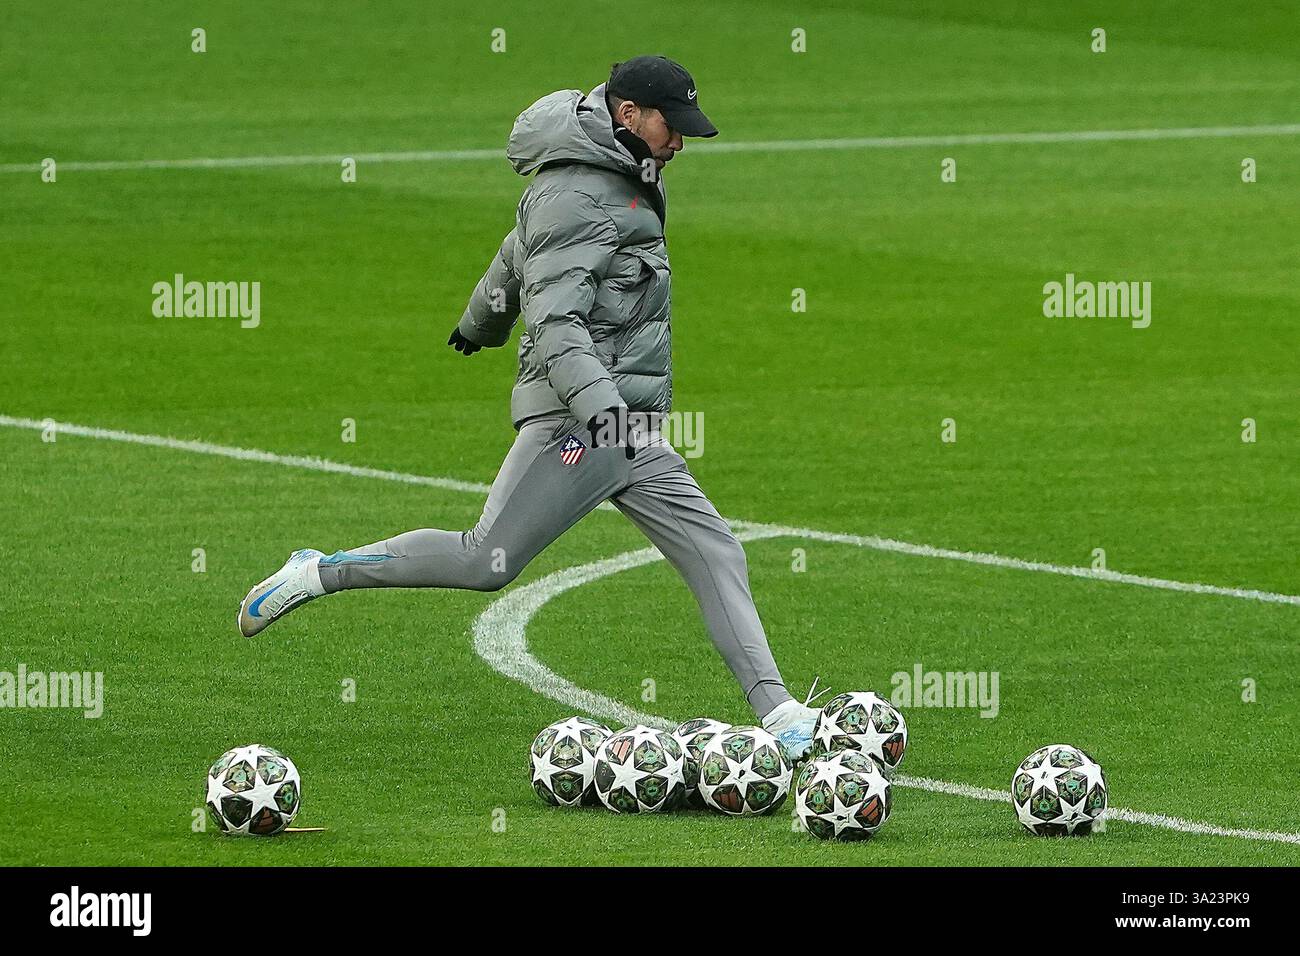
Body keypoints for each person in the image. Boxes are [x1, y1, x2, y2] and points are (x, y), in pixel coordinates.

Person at [237, 56, 820, 759]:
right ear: (628, 113)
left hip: (625, 423)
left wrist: (480, 322)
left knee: (714, 551)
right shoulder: (579, 192)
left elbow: (519, 257)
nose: (682, 143)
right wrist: (601, 409)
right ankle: (318, 570)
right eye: (674, 125)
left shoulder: (617, 173)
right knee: (486, 561)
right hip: (581, 420)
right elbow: (560, 321)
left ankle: (781, 714)